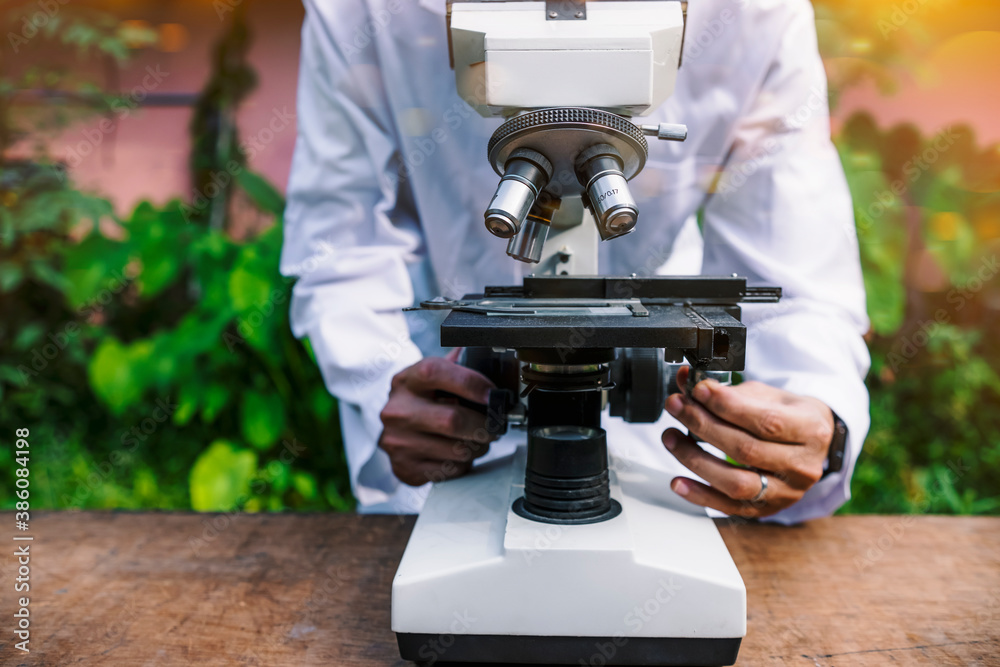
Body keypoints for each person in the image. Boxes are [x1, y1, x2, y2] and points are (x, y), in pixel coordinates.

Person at [280, 0, 871, 523]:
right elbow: (343, 244)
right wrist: (388, 386)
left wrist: (819, 423)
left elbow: (796, 278)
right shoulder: (362, 9)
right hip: (449, 432)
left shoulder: (755, 12)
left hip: (652, 447)